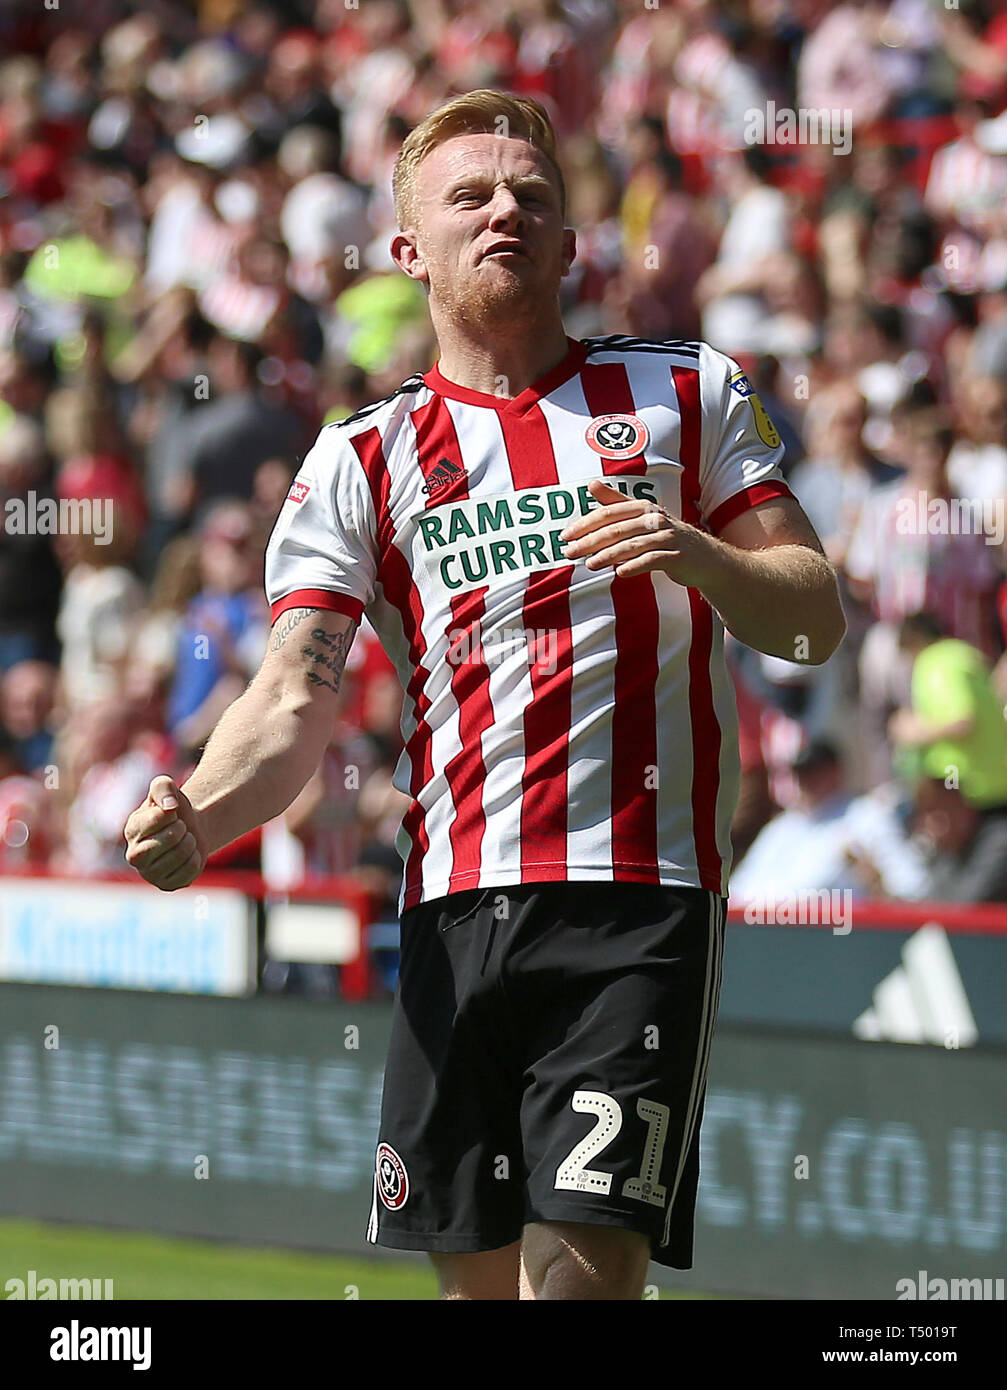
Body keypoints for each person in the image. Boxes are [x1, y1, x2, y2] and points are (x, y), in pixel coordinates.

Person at [123, 91, 845, 1301]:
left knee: (578, 1284)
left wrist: (699, 556)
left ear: (570, 245)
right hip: (452, 907)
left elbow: (813, 613)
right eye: (469, 194)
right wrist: (201, 812)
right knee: (475, 1292)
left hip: (634, 900)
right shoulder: (363, 453)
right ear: (407, 249)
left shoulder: (683, 391)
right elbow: (294, 696)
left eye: (532, 195)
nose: (504, 208)